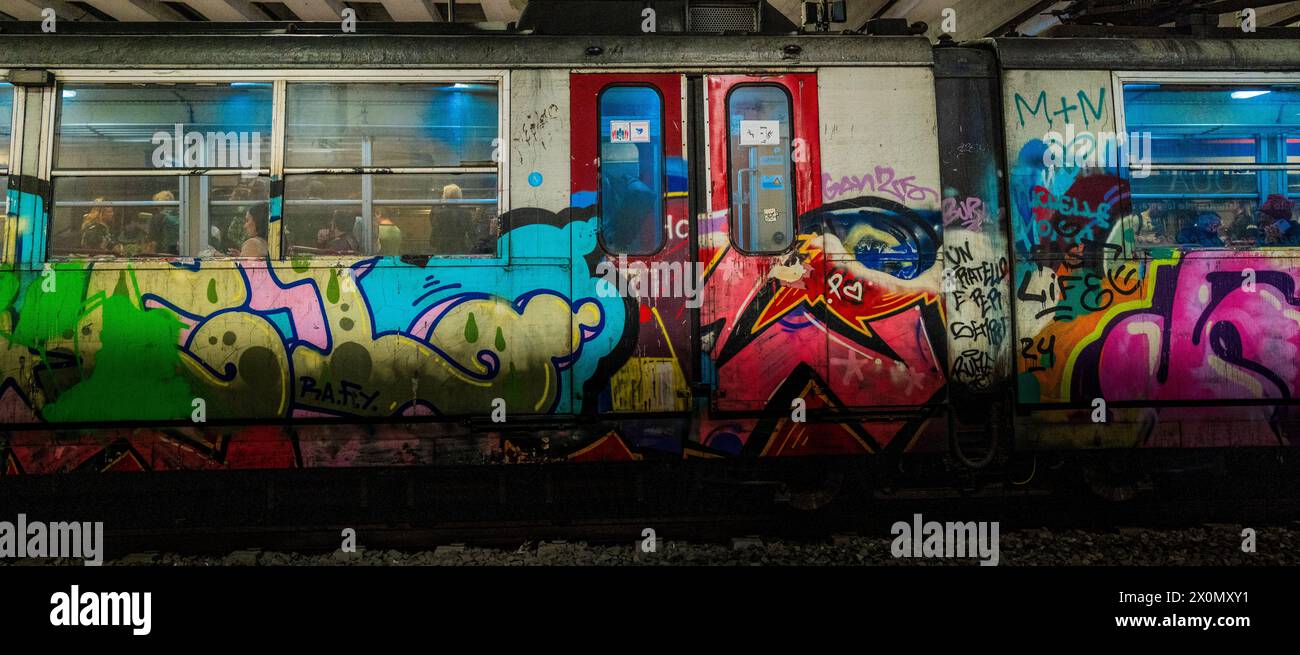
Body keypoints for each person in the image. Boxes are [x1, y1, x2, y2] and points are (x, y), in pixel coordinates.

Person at [428, 183, 473, 254]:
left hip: (443, 250)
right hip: (461, 249)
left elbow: (434, 239)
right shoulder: (466, 213)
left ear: (445, 197)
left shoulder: (439, 214)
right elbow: (472, 235)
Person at [150, 190, 180, 255]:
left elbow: (154, 238)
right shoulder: (181, 215)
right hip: (178, 249)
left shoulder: (159, 217)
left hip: (164, 250)